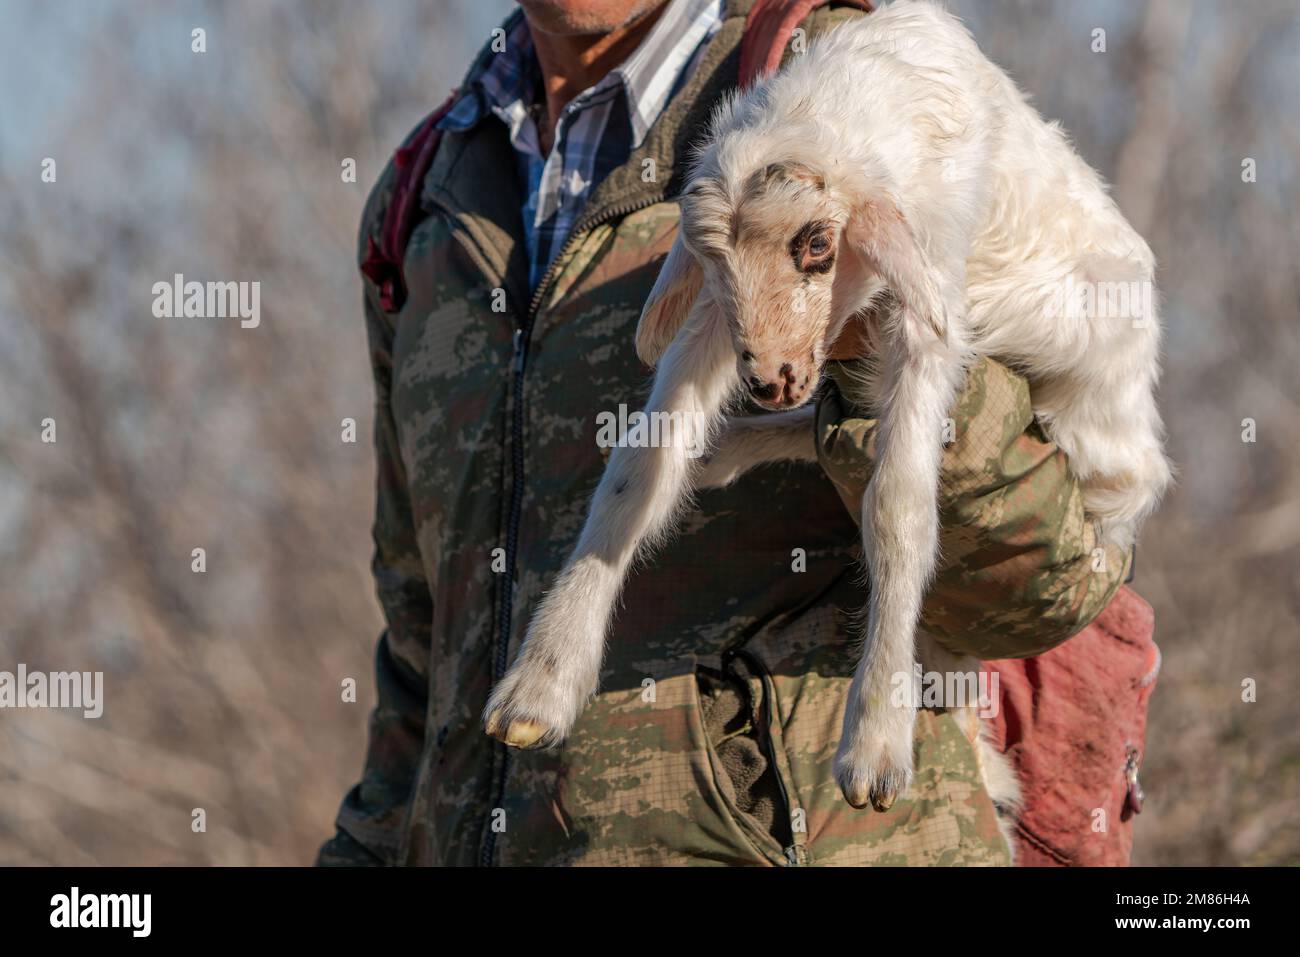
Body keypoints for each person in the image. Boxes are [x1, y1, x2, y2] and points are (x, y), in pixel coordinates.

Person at [318, 0, 1132, 867]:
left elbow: (1051, 583)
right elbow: (418, 654)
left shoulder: (853, 89)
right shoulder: (427, 198)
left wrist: (874, 372)